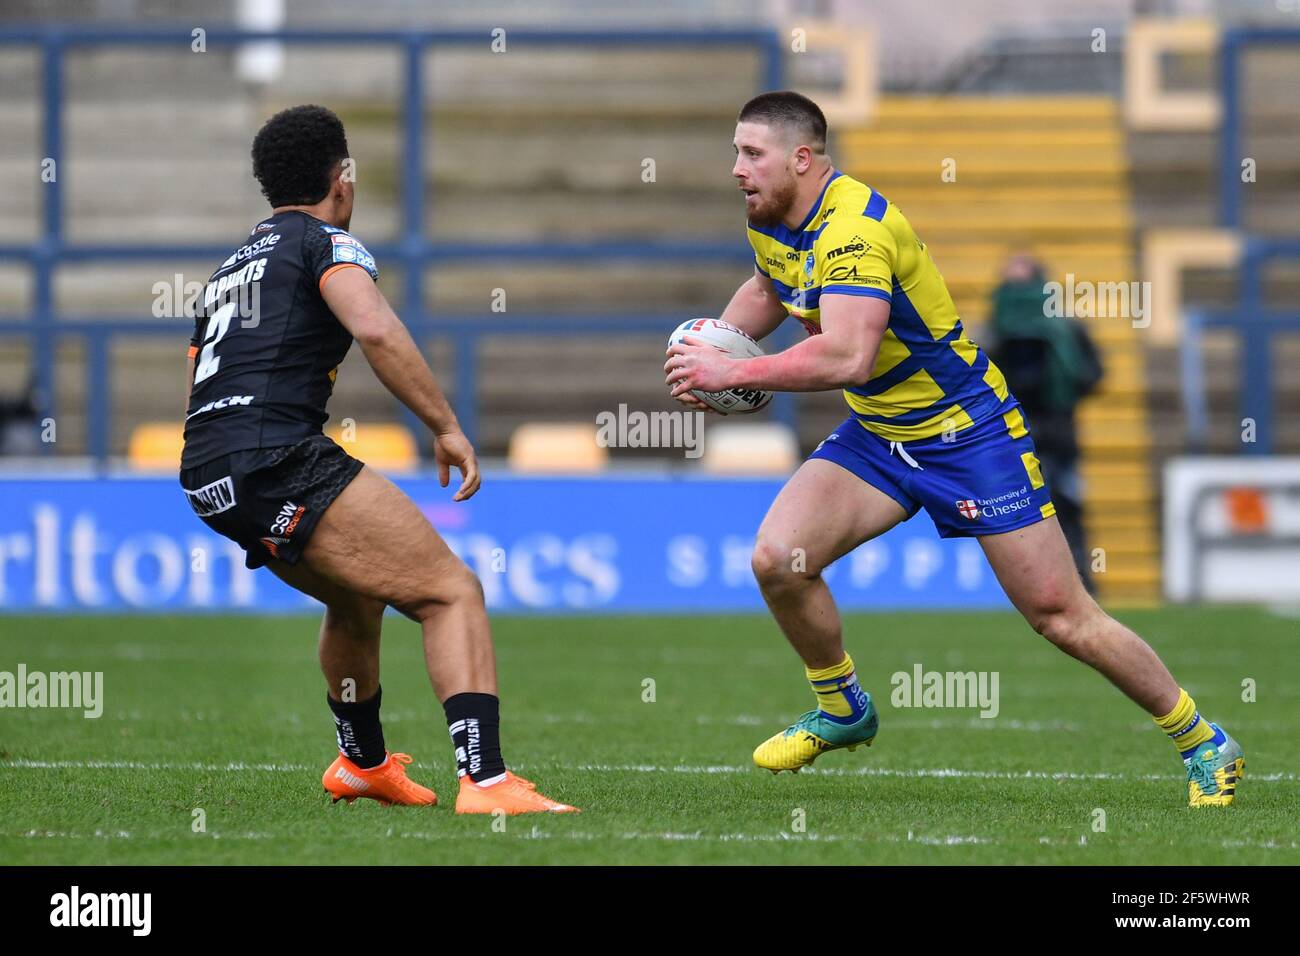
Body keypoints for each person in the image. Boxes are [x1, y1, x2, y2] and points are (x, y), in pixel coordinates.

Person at [664, 91, 1241, 807]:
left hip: (967, 436)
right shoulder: (772, 217)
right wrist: (714, 348)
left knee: (1059, 616)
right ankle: (844, 708)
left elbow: (845, 354)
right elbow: (768, 287)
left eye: (751, 154)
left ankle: (1203, 741)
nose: (736, 169)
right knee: (778, 561)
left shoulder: (855, 233)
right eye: (736, 152)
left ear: (802, 159)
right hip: (881, 434)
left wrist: (736, 372)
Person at [179, 104, 576, 814]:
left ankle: (362, 763)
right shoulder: (325, 241)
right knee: (450, 591)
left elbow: (199, 386)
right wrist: (446, 426)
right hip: (276, 457)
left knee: (356, 596)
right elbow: (377, 329)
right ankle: (486, 782)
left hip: (209, 471)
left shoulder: (224, 273)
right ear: (343, 179)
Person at [985, 254, 1103, 591]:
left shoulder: (996, 329)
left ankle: (1071, 582)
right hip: (1046, 430)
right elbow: (1093, 376)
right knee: (1050, 504)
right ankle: (1065, 582)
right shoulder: (1064, 325)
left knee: (1053, 503)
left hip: (1030, 431)